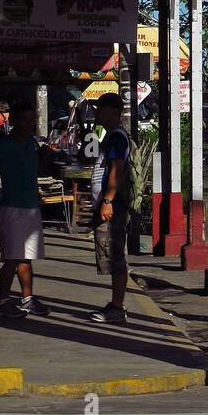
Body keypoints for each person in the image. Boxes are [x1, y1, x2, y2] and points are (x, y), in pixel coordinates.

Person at [0, 100, 49, 319]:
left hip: (31, 207)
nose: (30, 124)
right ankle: (3, 300)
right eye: (25, 119)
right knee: (12, 259)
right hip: (12, 209)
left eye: (32, 120)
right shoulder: (3, 145)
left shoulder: (32, 143)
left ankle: (27, 298)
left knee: (26, 258)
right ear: (13, 121)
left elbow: (34, 170)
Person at [89, 93, 132, 326]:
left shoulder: (116, 138)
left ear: (113, 112)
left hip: (112, 207)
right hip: (109, 205)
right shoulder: (111, 137)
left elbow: (116, 170)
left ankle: (117, 306)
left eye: (101, 109)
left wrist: (107, 201)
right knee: (112, 255)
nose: (97, 112)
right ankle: (116, 304)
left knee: (115, 256)